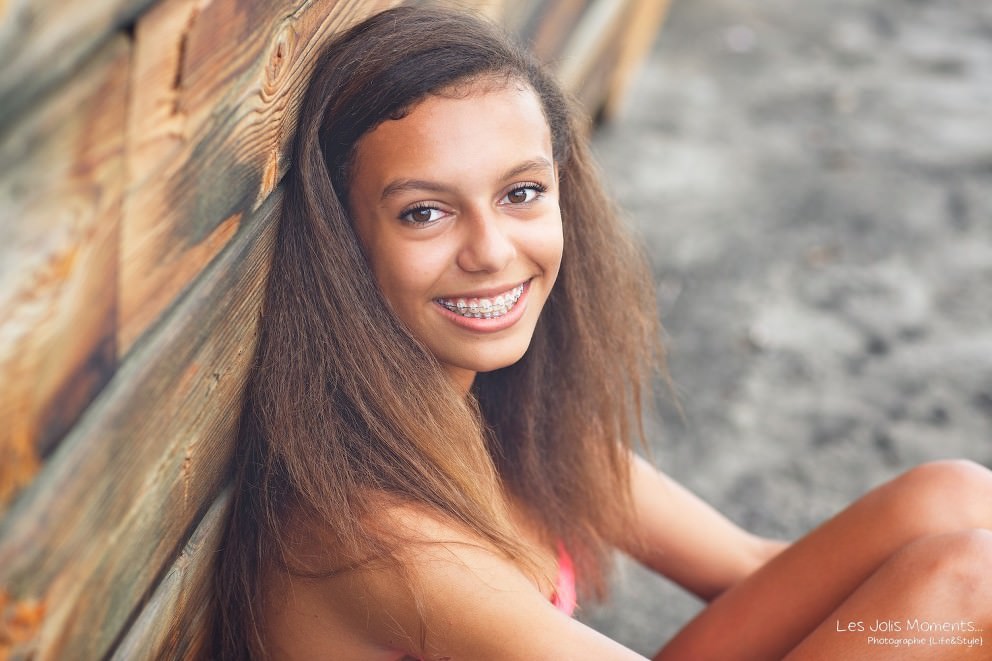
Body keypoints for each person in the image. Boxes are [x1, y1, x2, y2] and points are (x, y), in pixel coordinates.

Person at [213, 6, 992, 659]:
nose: (491, 250)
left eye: (520, 193)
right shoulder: (369, 533)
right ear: (345, 239)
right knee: (966, 585)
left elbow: (750, 568)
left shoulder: (495, 412)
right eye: (425, 211)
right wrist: (939, 615)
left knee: (952, 497)